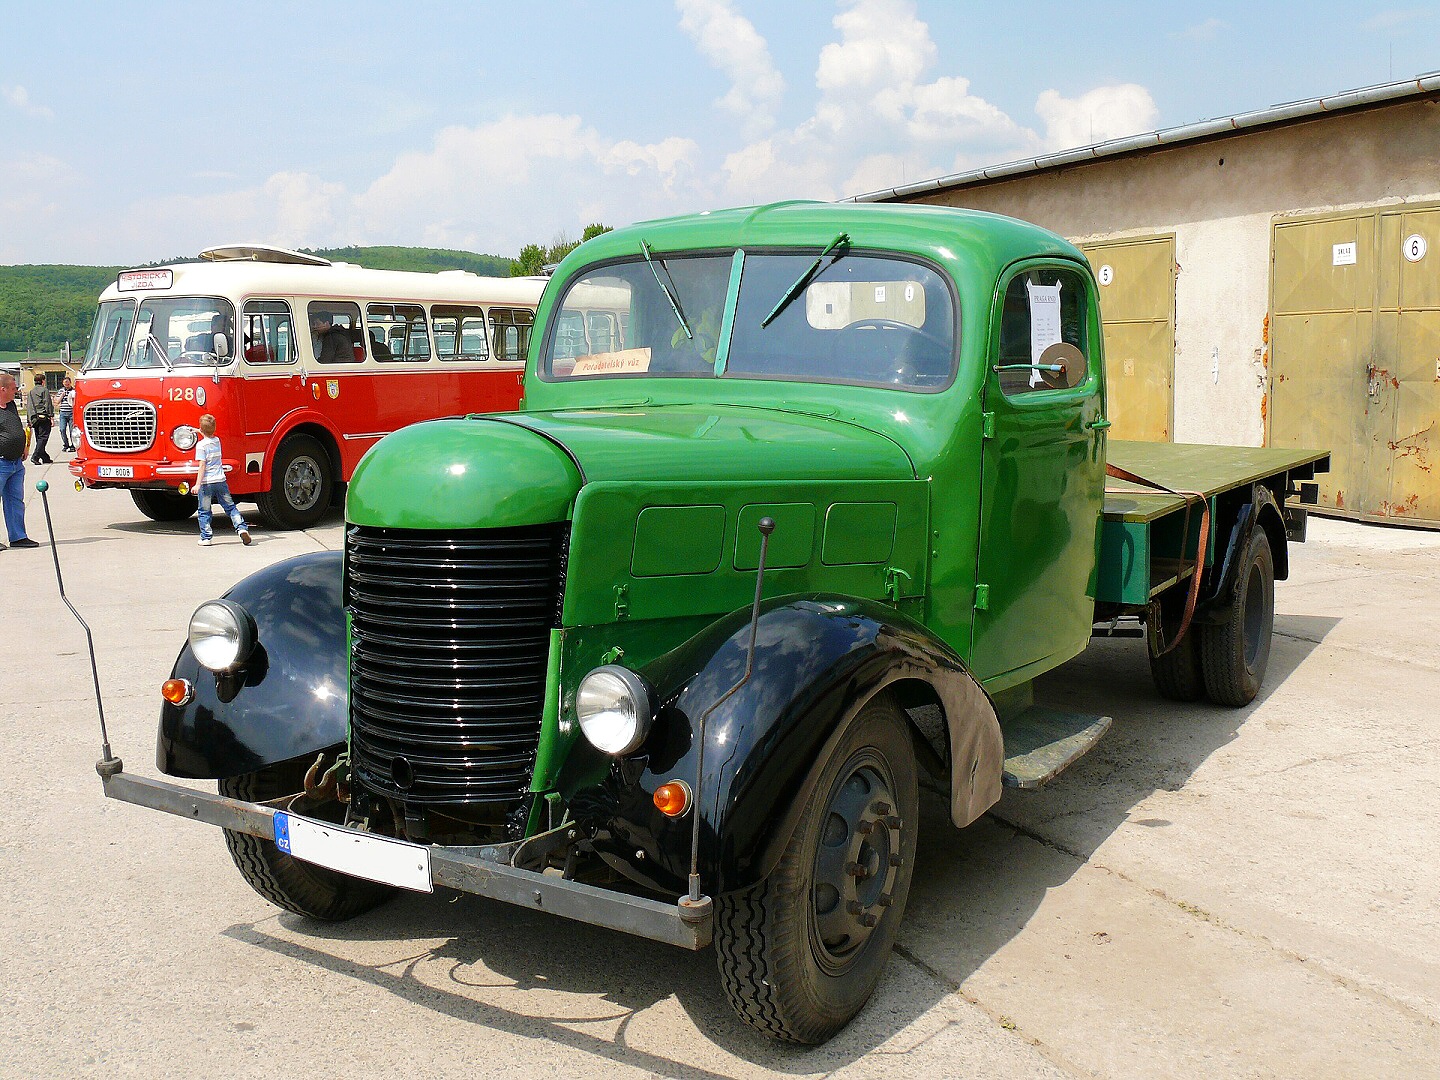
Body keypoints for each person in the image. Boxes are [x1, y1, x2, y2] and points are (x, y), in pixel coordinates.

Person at [193, 413, 251, 547]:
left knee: (204, 510)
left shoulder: (201, 446)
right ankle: (241, 528)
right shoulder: (217, 441)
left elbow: (202, 465)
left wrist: (197, 484)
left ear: (201, 429)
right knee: (230, 507)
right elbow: (208, 435)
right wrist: (200, 431)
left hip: (207, 483)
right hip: (220, 480)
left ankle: (206, 537)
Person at [0, 373, 39, 548]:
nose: (16, 391)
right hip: (1, 462)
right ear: (3, 389)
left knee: (15, 500)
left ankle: (18, 536)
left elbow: (16, 427)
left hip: (16, 463)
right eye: (14, 388)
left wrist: (23, 446)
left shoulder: (11, 406)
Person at [27, 373, 54, 465]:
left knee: (39, 438)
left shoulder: (30, 392)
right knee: (43, 437)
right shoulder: (44, 390)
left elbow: (29, 406)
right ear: (43, 381)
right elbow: (47, 403)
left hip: (34, 417)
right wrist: (51, 416)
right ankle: (35, 456)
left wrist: (29, 420)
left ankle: (45, 457)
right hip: (43, 416)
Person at [57, 376, 76, 452]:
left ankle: (73, 445)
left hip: (71, 413)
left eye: (67, 382)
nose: (66, 384)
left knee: (72, 430)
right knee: (62, 429)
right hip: (63, 413)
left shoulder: (74, 390)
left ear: (70, 382)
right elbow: (57, 401)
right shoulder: (61, 391)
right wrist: (62, 395)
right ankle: (66, 444)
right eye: (65, 383)